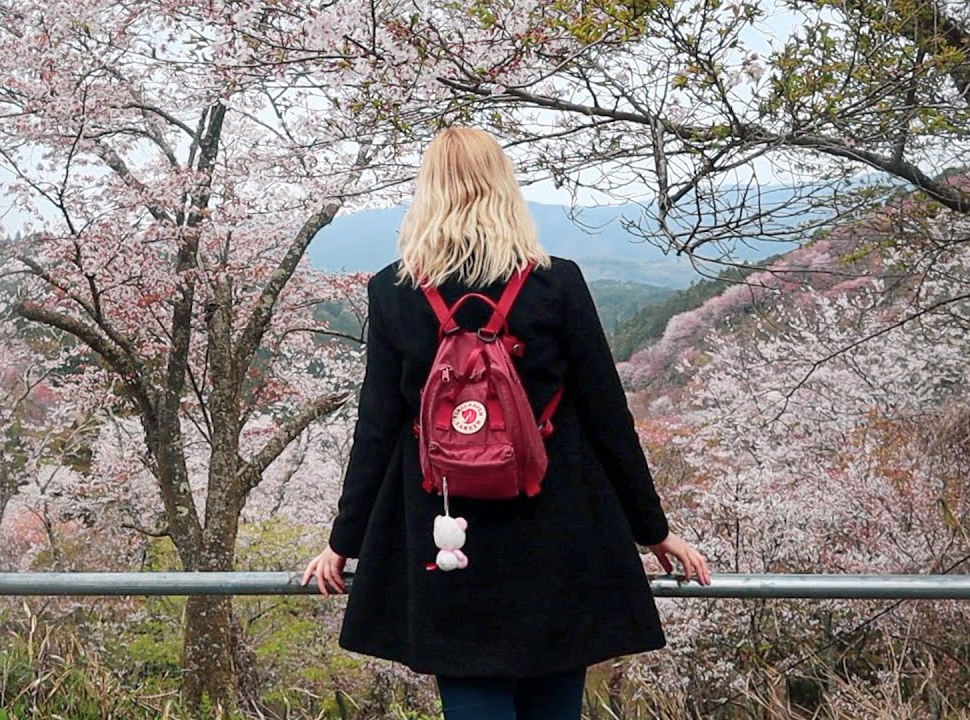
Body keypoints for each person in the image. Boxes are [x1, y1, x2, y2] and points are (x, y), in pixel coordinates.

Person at [300, 126, 712, 720]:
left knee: (472, 690)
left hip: (447, 532)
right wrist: (652, 529)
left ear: (428, 191)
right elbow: (607, 416)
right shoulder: (557, 283)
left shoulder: (394, 291)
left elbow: (378, 428)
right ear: (504, 188)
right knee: (555, 693)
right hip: (555, 526)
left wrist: (344, 543)